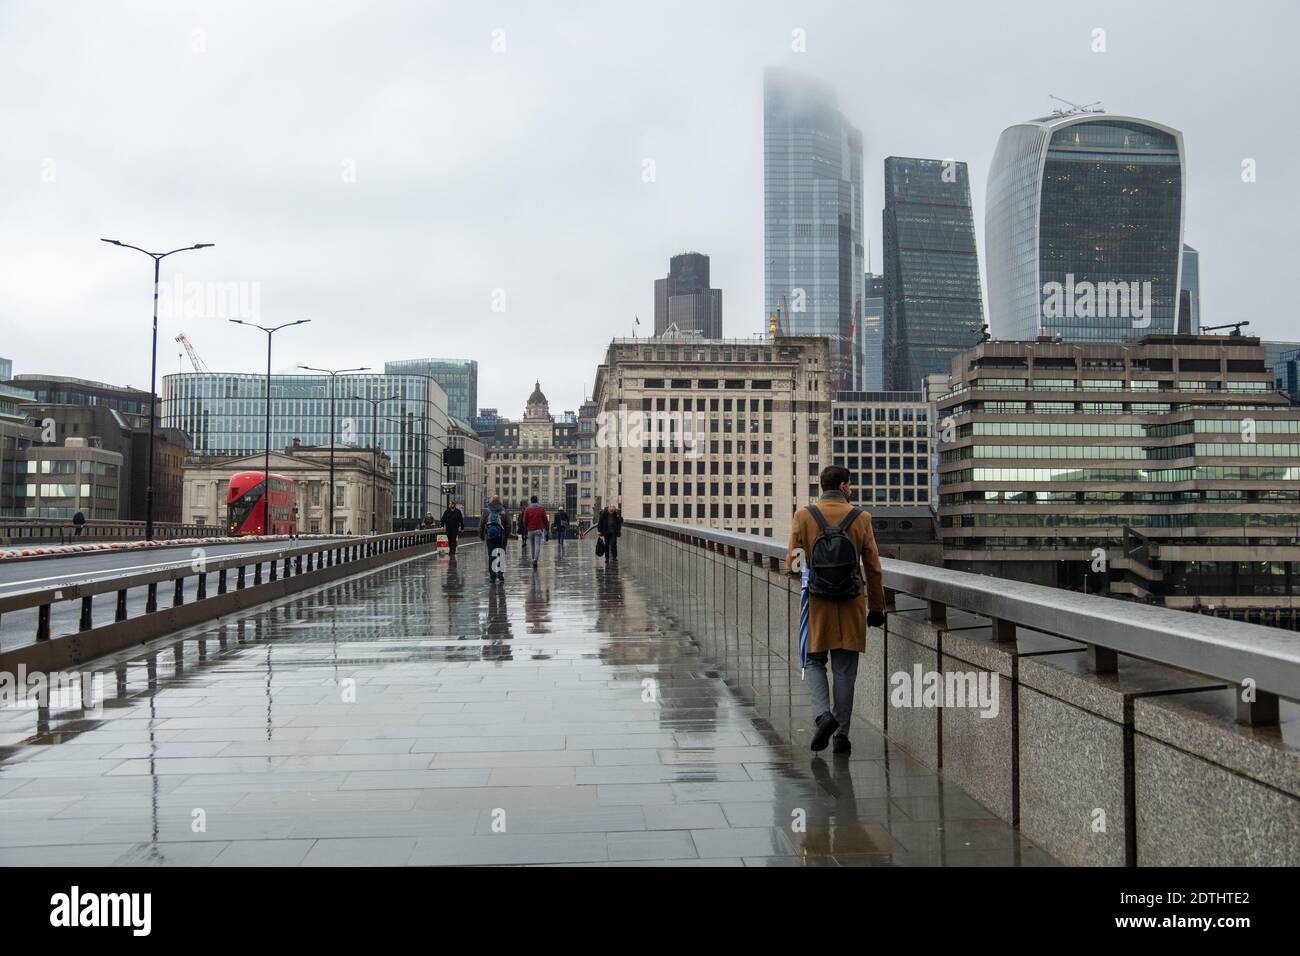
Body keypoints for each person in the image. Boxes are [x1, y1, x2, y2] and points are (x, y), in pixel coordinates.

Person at [786, 465, 886, 756]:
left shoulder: (804, 515)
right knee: (845, 671)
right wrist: (877, 608)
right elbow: (873, 568)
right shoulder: (861, 517)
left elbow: (793, 563)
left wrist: (813, 574)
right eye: (850, 485)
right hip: (852, 603)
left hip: (818, 603)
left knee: (814, 660)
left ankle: (822, 716)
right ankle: (841, 735)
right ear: (843, 487)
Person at [479, 495, 510, 582]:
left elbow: (481, 524)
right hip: (502, 537)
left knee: (491, 555)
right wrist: (507, 535)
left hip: (490, 536)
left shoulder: (486, 510)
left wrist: (481, 535)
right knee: (501, 554)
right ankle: (500, 573)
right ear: (499, 501)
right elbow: (508, 524)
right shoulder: (504, 510)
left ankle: (492, 576)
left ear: (492, 501)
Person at [522, 495, 550, 568]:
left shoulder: (527, 509)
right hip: (538, 529)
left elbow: (524, 521)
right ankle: (535, 560)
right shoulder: (541, 509)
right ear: (537, 500)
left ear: (531, 501)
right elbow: (545, 521)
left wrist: (526, 527)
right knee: (537, 545)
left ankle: (533, 559)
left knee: (532, 546)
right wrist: (547, 529)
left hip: (530, 530)